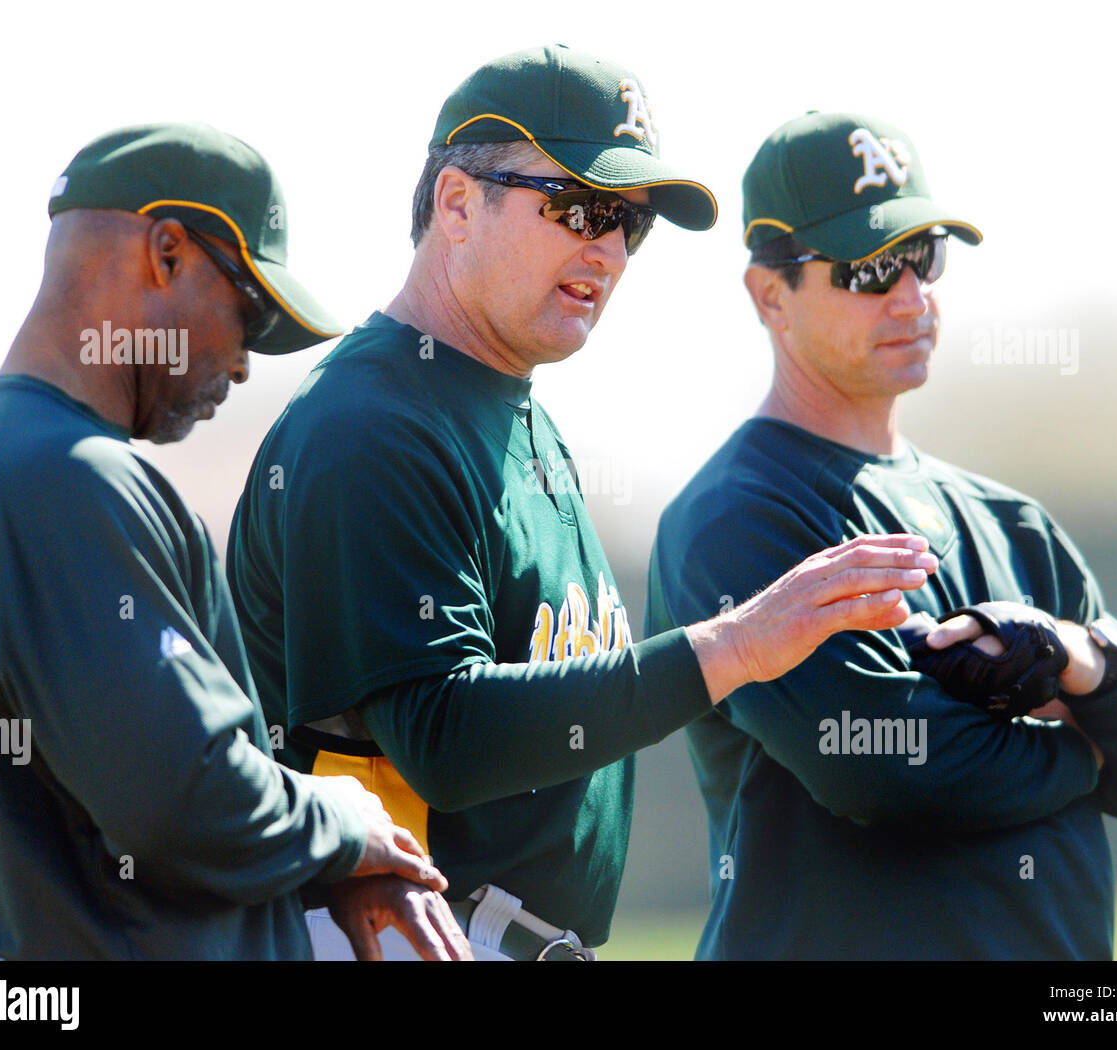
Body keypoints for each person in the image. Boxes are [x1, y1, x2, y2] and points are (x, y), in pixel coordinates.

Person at [226, 48, 938, 961]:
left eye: (629, 224)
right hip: (394, 937)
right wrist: (737, 645)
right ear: (455, 204)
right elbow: (442, 736)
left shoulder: (508, 406)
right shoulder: (372, 422)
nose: (606, 249)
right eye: (579, 208)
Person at [645, 111, 1117, 960]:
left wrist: (1078, 658)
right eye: (871, 268)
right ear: (770, 293)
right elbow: (886, 769)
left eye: (924, 258)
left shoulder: (1011, 519)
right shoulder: (741, 515)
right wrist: (1096, 743)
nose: (911, 297)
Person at [0, 123, 471, 962]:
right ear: (167, 254)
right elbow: (180, 799)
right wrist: (344, 819)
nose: (248, 364)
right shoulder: (68, 477)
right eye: (248, 314)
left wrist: (325, 856)